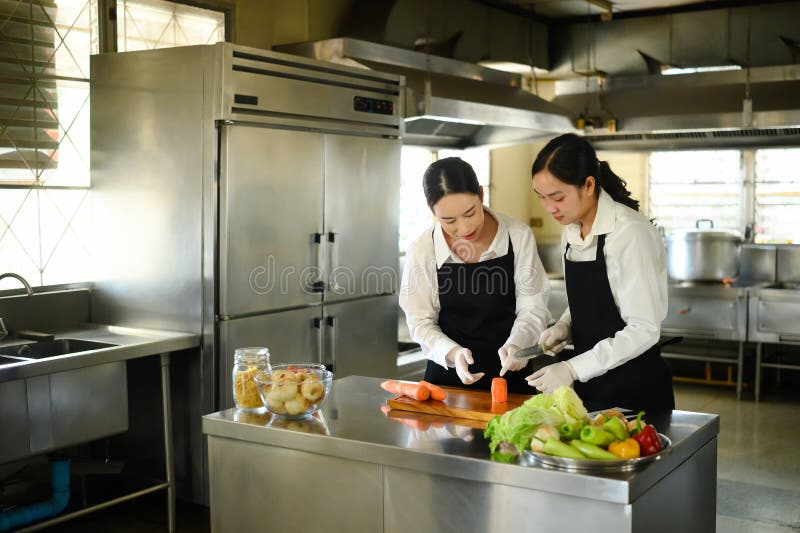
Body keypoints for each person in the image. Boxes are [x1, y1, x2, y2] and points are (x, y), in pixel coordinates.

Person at [528, 133, 674, 411]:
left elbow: (643, 329)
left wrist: (572, 369)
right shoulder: (570, 231)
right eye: (542, 198)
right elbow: (592, 300)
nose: (549, 208)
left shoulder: (630, 233)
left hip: (634, 389)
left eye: (557, 197)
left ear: (588, 185)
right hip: (590, 385)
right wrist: (564, 325)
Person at [400, 157, 551, 394]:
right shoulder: (423, 249)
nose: (464, 228)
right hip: (446, 385)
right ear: (432, 212)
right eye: (449, 221)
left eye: (470, 213)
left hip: (512, 377)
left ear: (481, 194)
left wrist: (518, 344)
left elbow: (533, 308)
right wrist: (452, 353)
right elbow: (420, 321)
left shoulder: (517, 236)